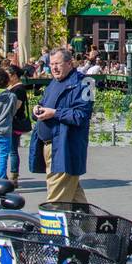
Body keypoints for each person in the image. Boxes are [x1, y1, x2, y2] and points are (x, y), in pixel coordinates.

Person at [29, 47, 94, 203]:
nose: (54, 68)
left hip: (64, 147)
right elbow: (44, 104)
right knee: (75, 199)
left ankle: (52, 227)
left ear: (69, 63)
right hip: (49, 146)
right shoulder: (53, 82)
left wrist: (55, 113)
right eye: (51, 64)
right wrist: (36, 110)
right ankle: (88, 226)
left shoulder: (85, 83)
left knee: (56, 201)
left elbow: (82, 116)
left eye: (57, 64)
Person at [5, 64, 31, 182]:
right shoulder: (12, 87)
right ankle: (13, 174)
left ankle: (14, 176)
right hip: (12, 121)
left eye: (8, 75)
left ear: (14, 76)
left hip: (15, 122)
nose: (6, 78)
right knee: (11, 149)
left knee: (13, 150)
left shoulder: (19, 89)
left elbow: (16, 106)